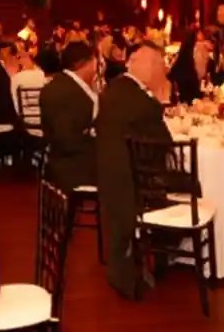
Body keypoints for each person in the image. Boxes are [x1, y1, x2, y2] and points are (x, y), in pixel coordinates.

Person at [96, 42, 173, 300]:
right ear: (146, 66)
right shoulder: (142, 101)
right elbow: (165, 144)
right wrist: (160, 98)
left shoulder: (116, 89)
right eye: (158, 65)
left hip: (110, 173)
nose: (161, 70)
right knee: (190, 184)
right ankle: (170, 251)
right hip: (132, 181)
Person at [39, 42, 98, 192]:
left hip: (65, 159)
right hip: (75, 166)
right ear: (86, 63)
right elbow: (66, 139)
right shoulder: (68, 92)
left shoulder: (63, 84)